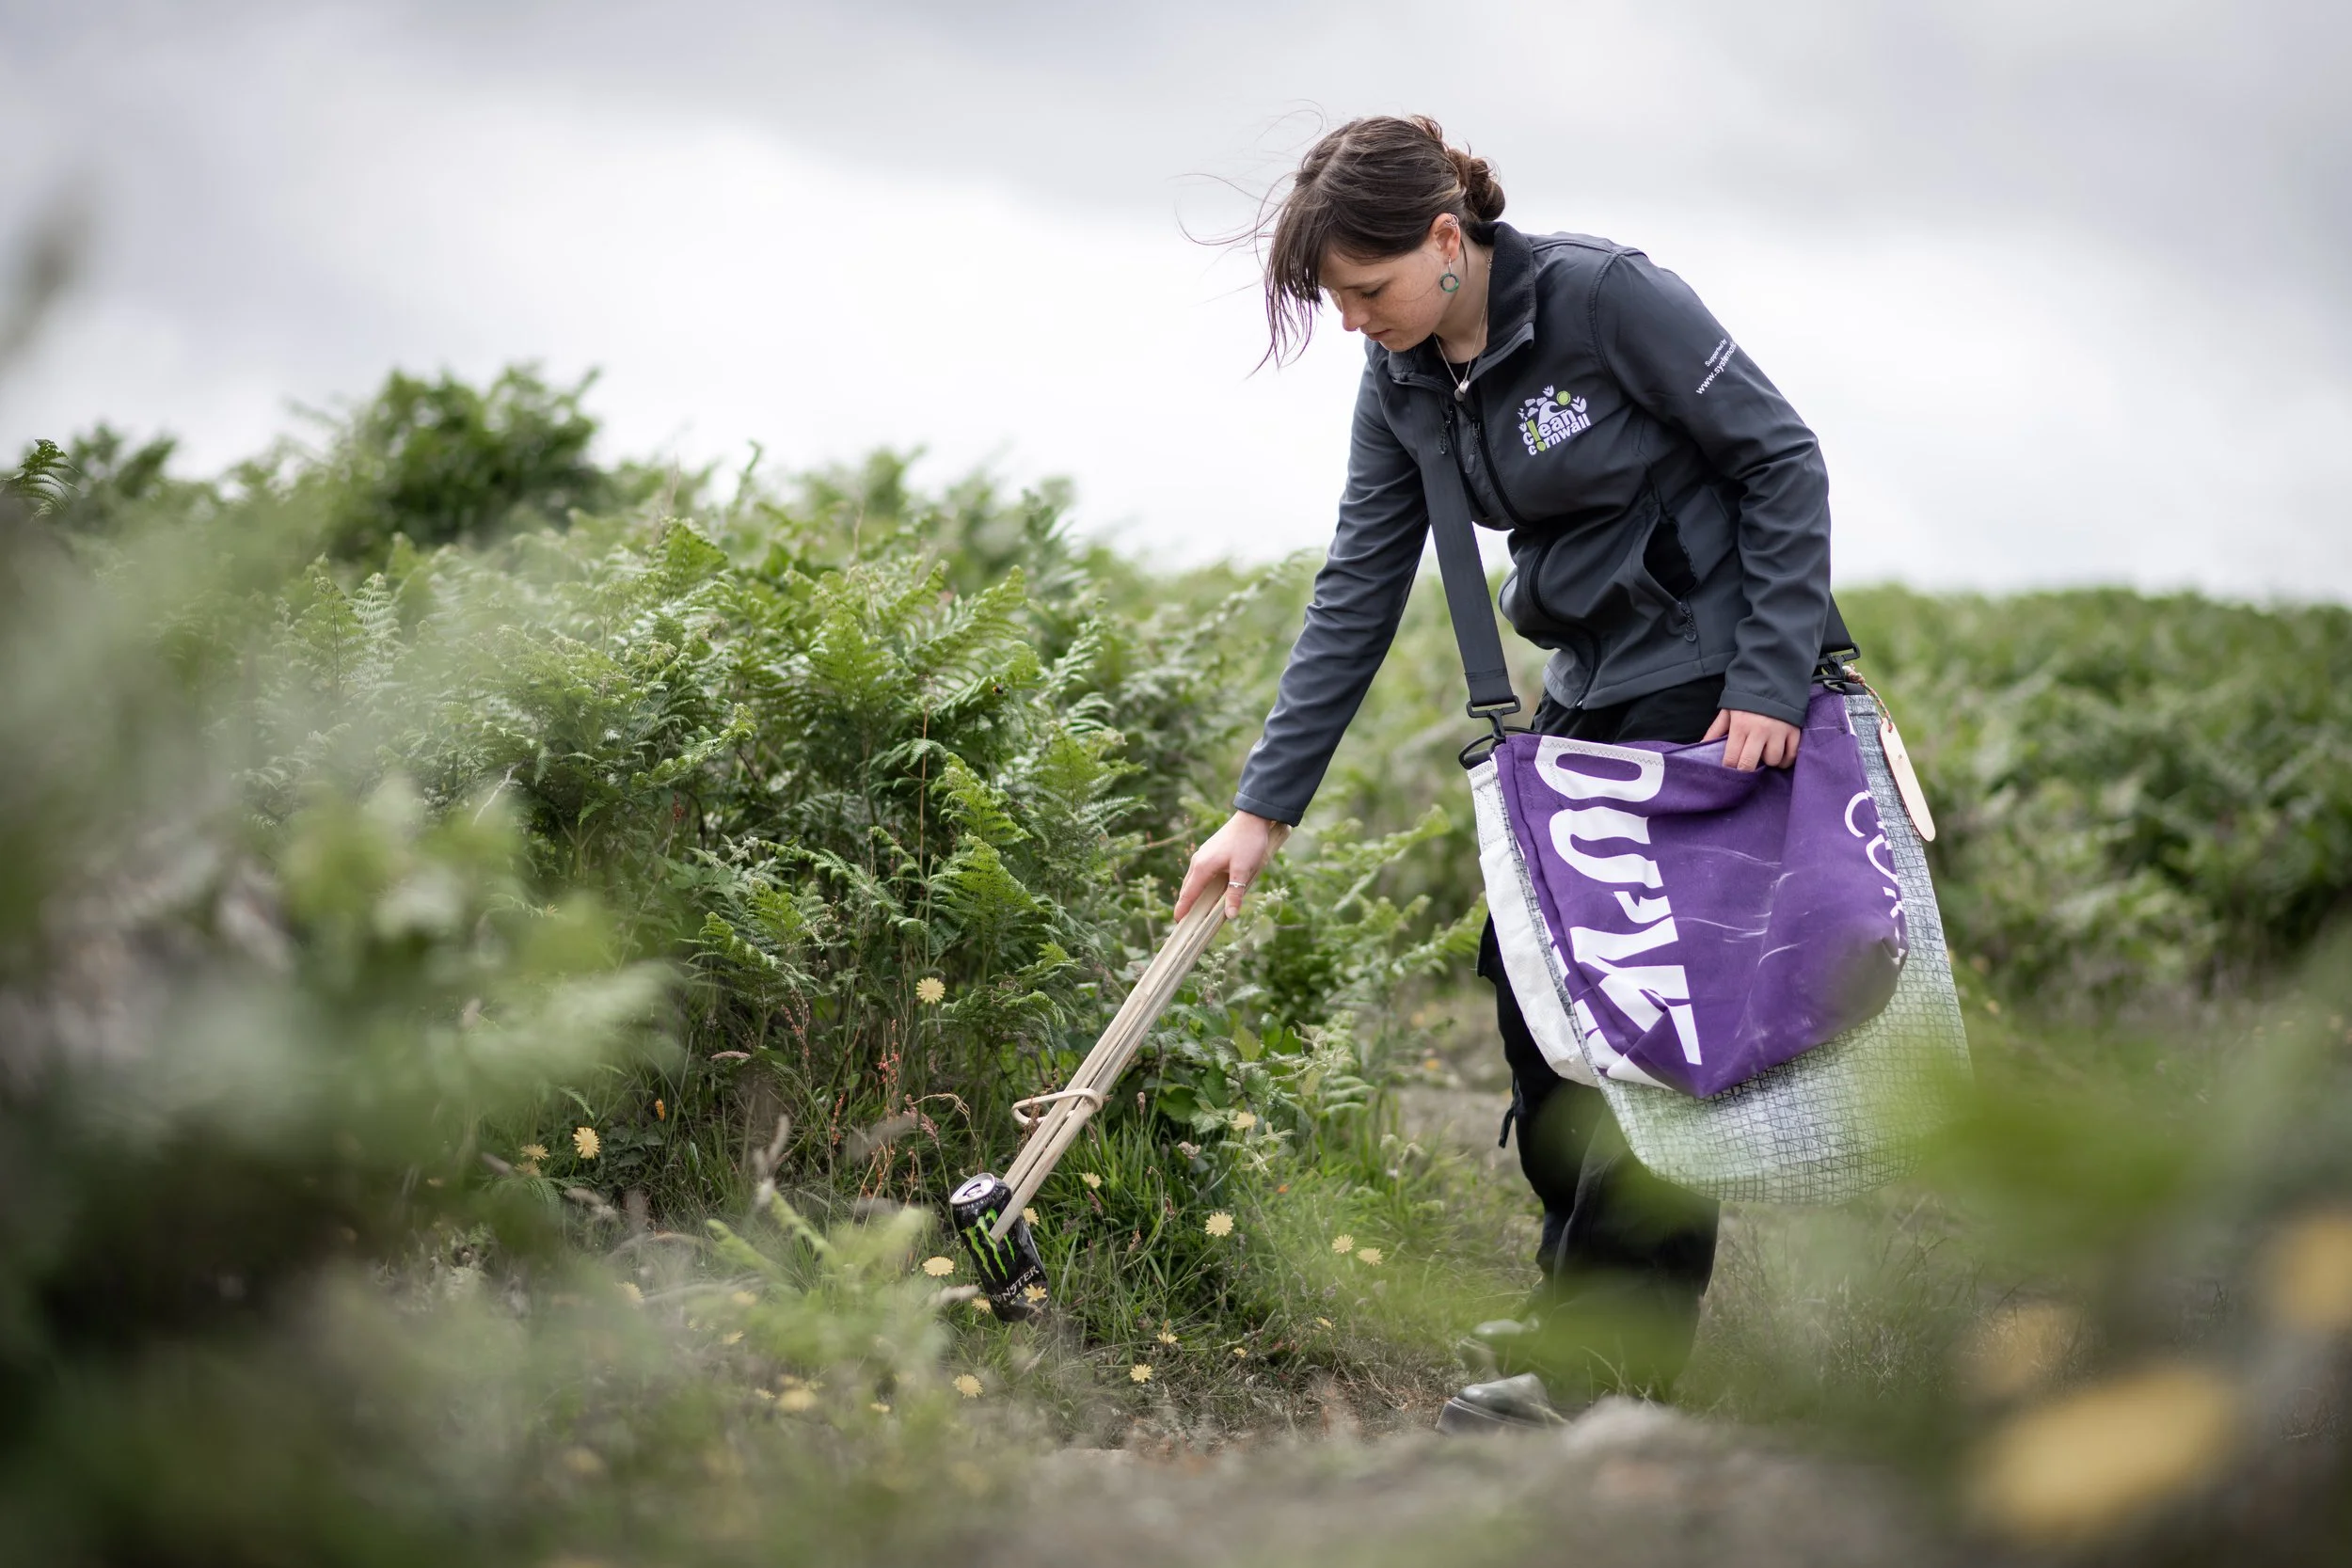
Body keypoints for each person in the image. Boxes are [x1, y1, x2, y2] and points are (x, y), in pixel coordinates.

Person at [1173, 115, 1852, 1429]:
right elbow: (1360, 583)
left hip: (1713, 696)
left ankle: (1609, 1367)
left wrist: (1770, 680)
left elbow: (1780, 457)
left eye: (1368, 290)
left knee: (1649, 1027)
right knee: (1538, 998)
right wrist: (1262, 810)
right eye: (1336, 301)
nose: (1357, 320)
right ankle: (1573, 1307)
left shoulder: (1608, 296)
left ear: (1446, 239)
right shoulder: (1407, 376)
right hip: (1587, 692)